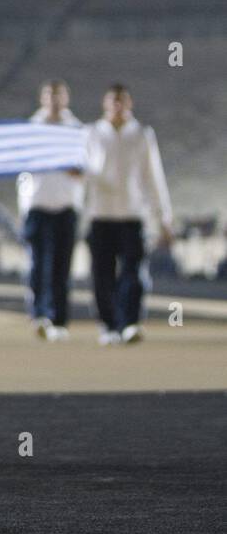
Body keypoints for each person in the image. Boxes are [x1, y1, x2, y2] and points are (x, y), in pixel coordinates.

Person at [83, 83, 174, 346]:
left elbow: (153, 176)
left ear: (129, 103)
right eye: (113, 101)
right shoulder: (91, 134)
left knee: (133, 273)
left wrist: (163, 216)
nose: (118, 106)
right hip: (100, 215)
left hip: (133, 215)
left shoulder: (142, 135)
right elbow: (84, 177)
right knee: (102, 274)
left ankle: (129, 323)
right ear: (105, 104)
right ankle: (108, 324)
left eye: (122, 101)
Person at [17, 80, 84, 341]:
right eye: (50, 95)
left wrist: (72, 168)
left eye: (59, 95)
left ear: (66, 98)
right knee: (37, 265)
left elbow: (84, 169)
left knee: (61, 267)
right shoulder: (31, 129)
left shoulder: (77, 130)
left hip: (66, 206)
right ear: (43, 98)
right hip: (37, 205)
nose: (55, 100)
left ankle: (59, 319)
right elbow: (22, 165)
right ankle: (39, 315)